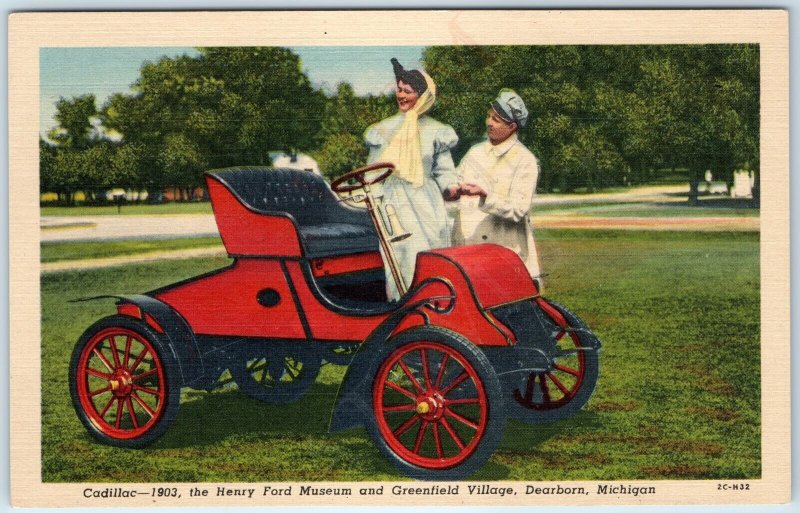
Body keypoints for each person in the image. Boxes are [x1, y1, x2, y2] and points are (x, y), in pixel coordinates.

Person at [364, 58, 460, 300]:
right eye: (399, 89)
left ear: (423, 95)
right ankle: (403, 312)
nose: (402, 95)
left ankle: (434, 308)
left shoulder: (437, 130)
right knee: (402, 254)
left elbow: (444, 171)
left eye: (408, 91)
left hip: (426, 202)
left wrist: (453, 187)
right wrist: (375, 202)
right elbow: (372, 174)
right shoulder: (383, 129)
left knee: (430, 253)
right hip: (393, 202)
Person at [452, 89, 543, 283]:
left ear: (512, 126)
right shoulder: (475, 152)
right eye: (488, 116)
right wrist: (450, 189)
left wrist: (485, 195)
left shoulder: (525, 160)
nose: (489, 123)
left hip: (503, 256)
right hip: (466, 253)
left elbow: (519, 210)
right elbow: (455, 182)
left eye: (496, 120)